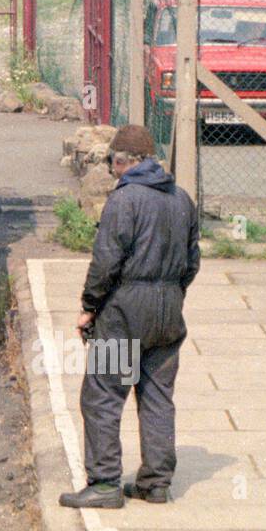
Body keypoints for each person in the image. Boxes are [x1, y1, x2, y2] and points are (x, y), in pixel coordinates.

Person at [59, 124, 200, 509]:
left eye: (113, 164)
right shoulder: (182, 199)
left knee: (103, 396)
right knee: (157, 395)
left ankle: (105, 485)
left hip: (124, 313)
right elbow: (192, 263)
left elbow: (106, 262)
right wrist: (169, 294)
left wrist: (89, 307)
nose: (112, 171)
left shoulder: (124, 201)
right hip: (169, 309)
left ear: (125, 161)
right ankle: (155, 483)